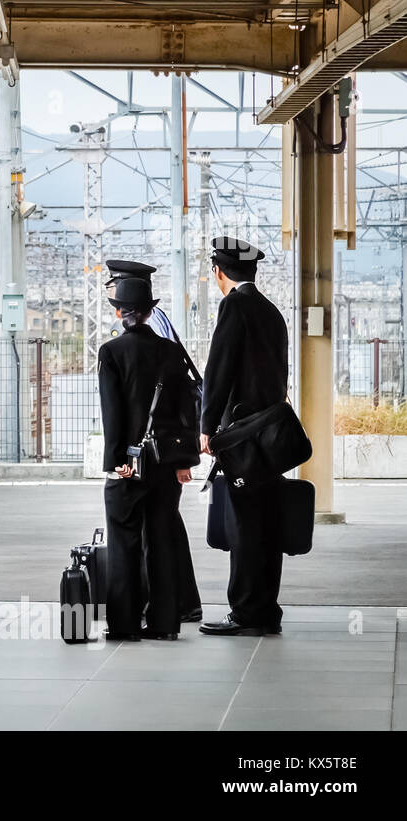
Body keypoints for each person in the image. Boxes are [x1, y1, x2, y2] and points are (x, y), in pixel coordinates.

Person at [97, 278, 197, 641]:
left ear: (119, 312)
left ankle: (124, 624)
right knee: (162, 538)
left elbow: (113, 414)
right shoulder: (171, 352)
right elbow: (186, 410)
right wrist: (184, 460)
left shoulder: (111, 352)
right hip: (167, 461)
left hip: (130, 463)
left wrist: (116, 460)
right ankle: (165, 623)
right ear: (151, 311)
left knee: (124, 541)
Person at [199, 236, 287, 637]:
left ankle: (245, 612)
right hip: (274, 434)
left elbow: (219, 370)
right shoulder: (272, 312)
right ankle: (267, 608)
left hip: (243, 436)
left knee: (245, 524)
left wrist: (206, 425)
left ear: (220, 272)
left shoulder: (233, 306)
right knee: (268, 522)